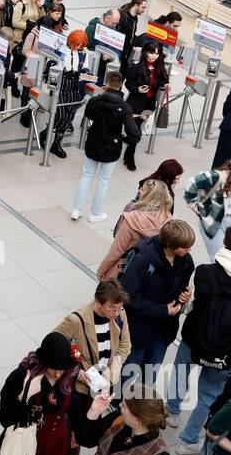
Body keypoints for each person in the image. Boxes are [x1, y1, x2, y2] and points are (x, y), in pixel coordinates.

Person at [166, 223, 231, 453]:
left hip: (193, 337)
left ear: (224, 243)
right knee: (208, 393)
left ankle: (171, 412)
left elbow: (189, 305)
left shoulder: (202, 271)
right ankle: (188, 439)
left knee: (180, 373)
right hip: (226, 349)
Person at [121, 219, 196, 381]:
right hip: (138, 331)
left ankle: (141, 404)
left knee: (150, 377)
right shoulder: (142, 260)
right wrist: (162, 310)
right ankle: (114, 402)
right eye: (184, 246)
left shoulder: (186, 262)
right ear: (169, 244)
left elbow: (180, 287)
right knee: (127, 373)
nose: (189, 249)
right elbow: (128, 297)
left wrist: (183, 297)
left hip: (163, 330)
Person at [71, 71, 141, 223]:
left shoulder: (96, 101)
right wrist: (125, 139)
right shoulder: (124, 106)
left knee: (86, 175)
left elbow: (89, 114)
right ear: (121, 85)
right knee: (104, 180)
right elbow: (134, 133)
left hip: (94, 141)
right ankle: (95, 213)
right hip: (112, 144)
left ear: (107, 83)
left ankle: (76, 209)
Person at [184, 153, 231, 258]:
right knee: (218, 257)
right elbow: (192, 183)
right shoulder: (220, 177)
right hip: (214, 222)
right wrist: (193, 204)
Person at [97, 178, 174, 281]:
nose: (139, 191)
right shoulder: (169, 220)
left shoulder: (132, 219)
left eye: (142, 189)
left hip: (127, 270)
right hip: (152, 275)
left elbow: (117, 251)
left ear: (148, 196)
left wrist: (101, 271)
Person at [122, 43, 168, 171]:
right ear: (145, 52)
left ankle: (129, 146)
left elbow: (164, 80)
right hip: (136, 103)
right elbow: (128, 84)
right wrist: (137, 89)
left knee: (138, 130)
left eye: (157, 53)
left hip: (149, 104)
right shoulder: (136, 67)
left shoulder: (159, 68)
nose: (154, 56)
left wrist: (166, 85)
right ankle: (129, 155)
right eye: (152, 52)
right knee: (135, 132)